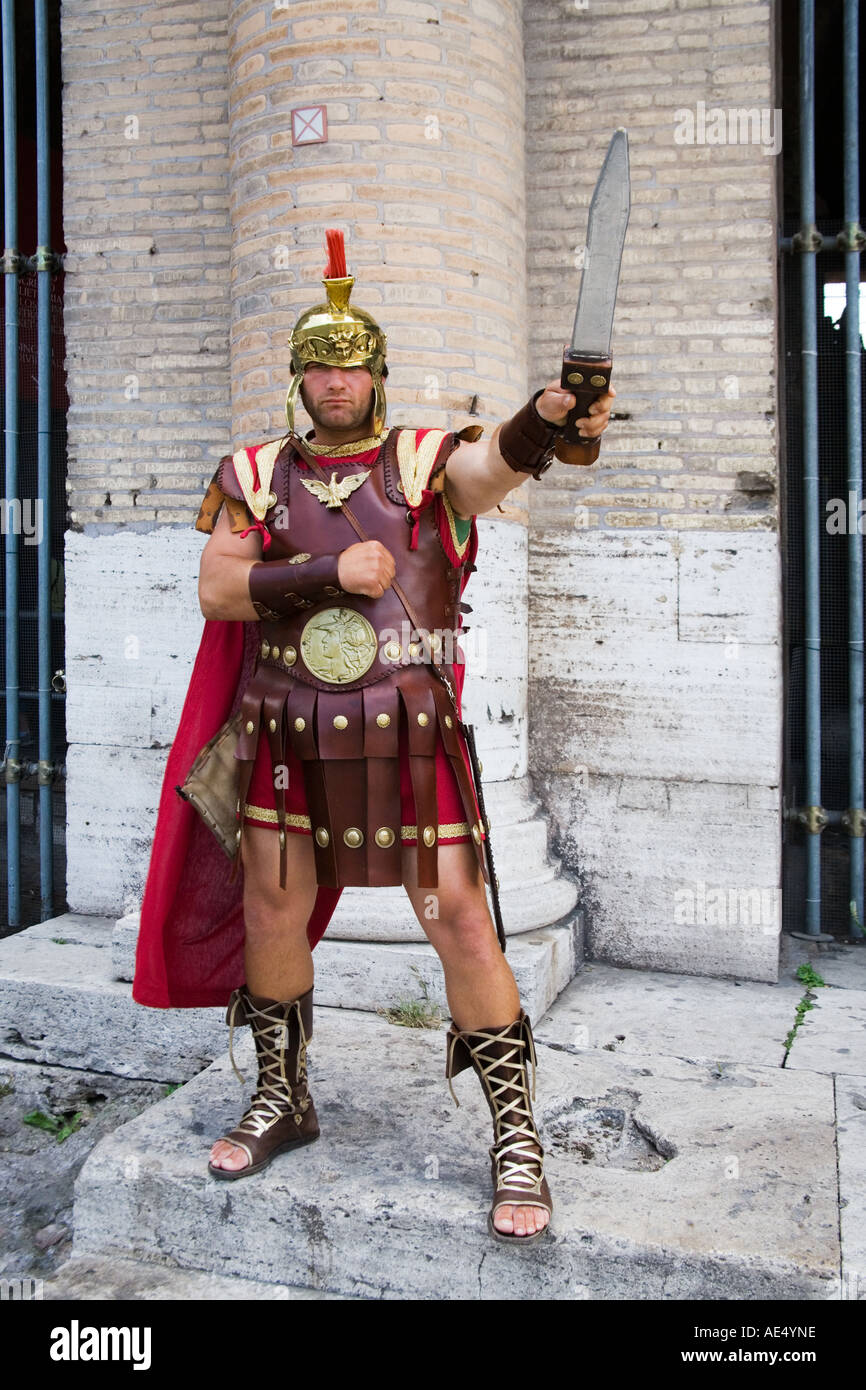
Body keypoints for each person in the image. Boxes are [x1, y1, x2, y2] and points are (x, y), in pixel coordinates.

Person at [135, 229, 614, 1245]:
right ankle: (283, 1096)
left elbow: (493, 470)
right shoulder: (254, 471)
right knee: (273, 911)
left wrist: (546, 417)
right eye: (317, 360)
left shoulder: (423, 460)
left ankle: (514, 1131)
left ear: (376, 371)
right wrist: (321, 575)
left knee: (460, 921)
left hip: (408, 734)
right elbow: (220, 590)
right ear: (299, 375)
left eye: (350, 361)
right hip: (284, 727)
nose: (334, 377)